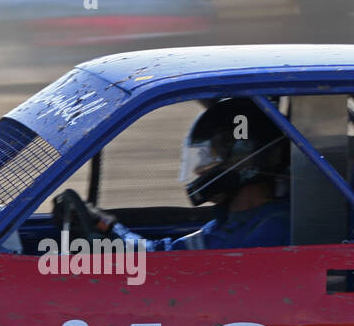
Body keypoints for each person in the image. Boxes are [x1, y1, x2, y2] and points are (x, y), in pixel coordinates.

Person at [53, 97, 291, 251]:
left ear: (242, 160)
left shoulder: (273, 229)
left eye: (210, 158)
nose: (199, 169)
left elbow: (191, 272)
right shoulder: (231, 221)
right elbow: (166, 254)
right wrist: (107, 228)